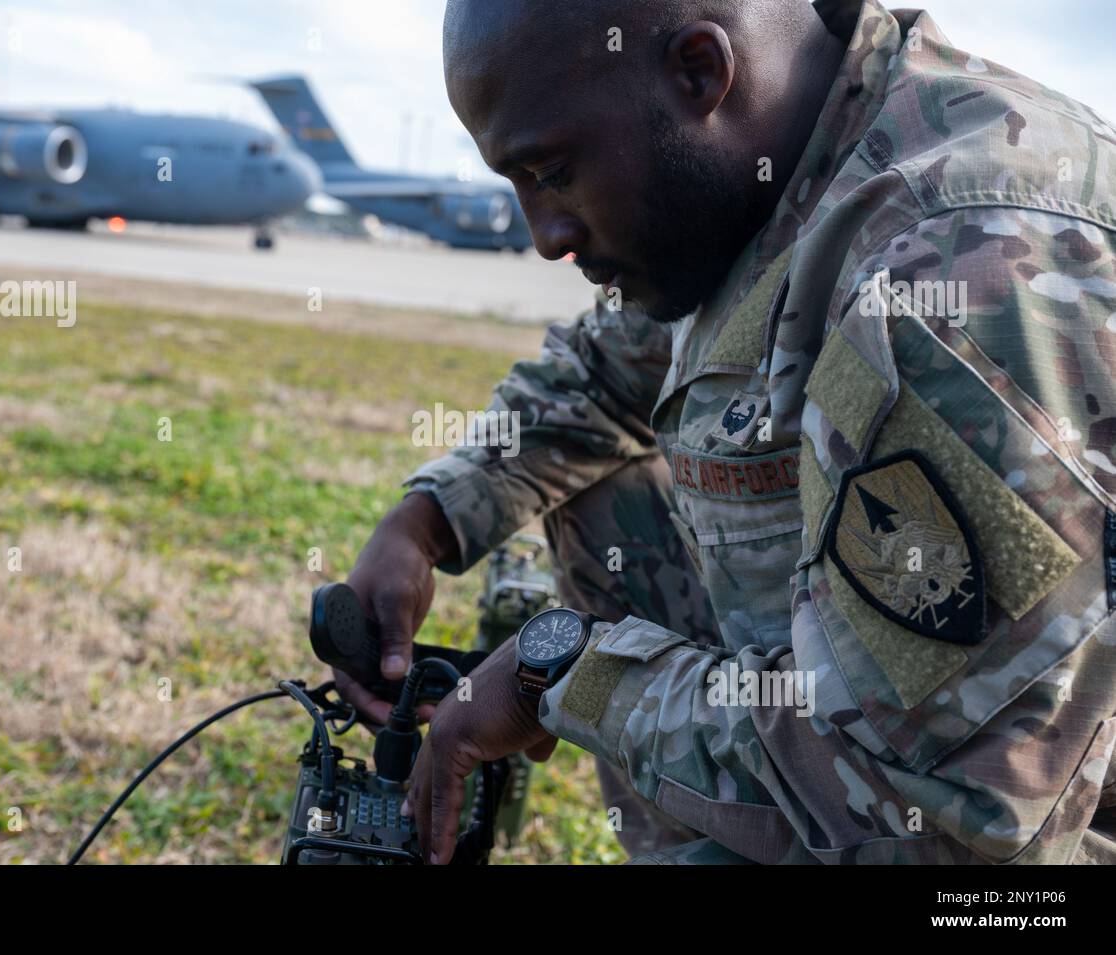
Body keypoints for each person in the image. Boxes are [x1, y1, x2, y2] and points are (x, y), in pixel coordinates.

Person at [345, 0, 1116, 863]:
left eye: (552, 172)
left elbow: (949, 830)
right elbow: (603, 372)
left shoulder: (952, 274)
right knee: (607, 502)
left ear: (700, 72)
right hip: (886, 759)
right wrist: (425, 521)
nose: (547, 236)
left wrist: (559, 674)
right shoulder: (772, 172)